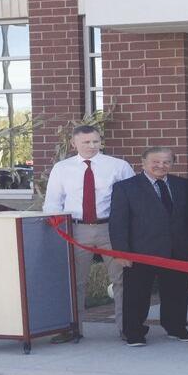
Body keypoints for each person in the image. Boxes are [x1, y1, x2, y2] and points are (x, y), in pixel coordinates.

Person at [42, 125, 135, 343]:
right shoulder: (62, 168)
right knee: (75, 281)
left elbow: (132, 199)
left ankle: (127, 328)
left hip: (111, 228)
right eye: (86, 142)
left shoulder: (118, 166)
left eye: (95, 141)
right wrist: (56, 230)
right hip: (76, 229)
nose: (92, 146)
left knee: (122, 280)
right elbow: (53, 201)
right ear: (74, 144)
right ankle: (72, 328)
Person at [109, 147, 188, 346]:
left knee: (177, 292)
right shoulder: (125, 187)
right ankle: (134, 332)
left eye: (166, 162)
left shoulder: (182, 185)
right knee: (136, 295)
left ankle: (176, 328)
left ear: (172, 164)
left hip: (177, 250)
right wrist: (120, 252)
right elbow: (118, 223)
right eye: (155, 162)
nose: (161, 166)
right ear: (143, 162)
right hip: (140, 251)